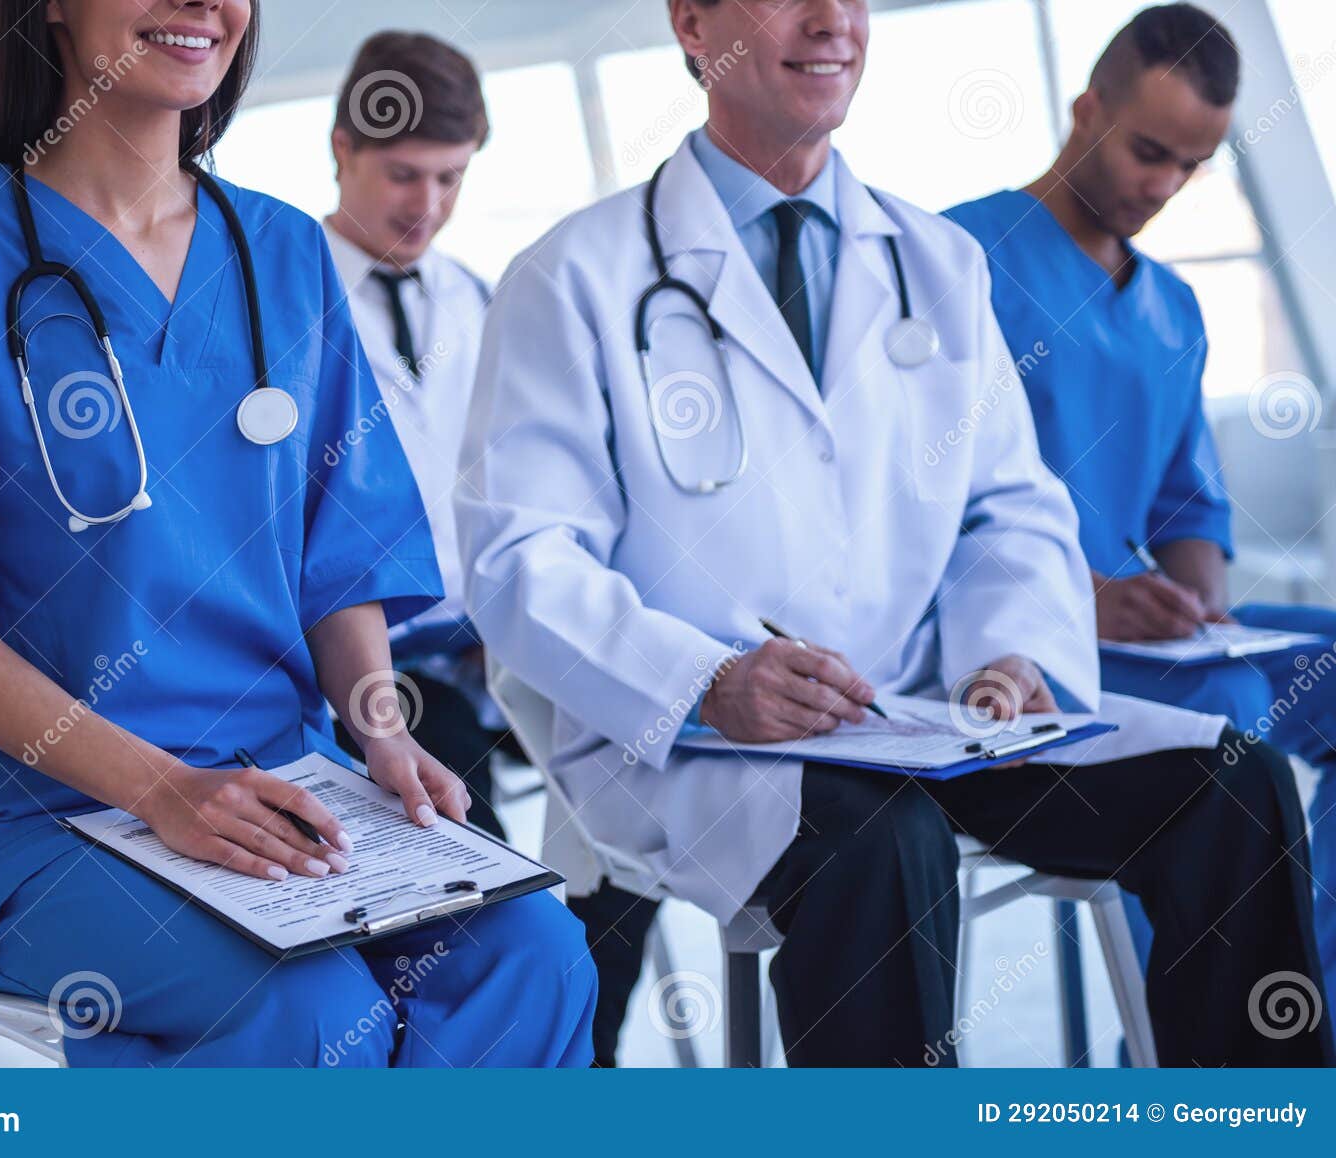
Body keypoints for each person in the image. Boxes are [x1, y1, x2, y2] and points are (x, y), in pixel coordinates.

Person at [456, 0, 1332, 1066]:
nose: (831, 20)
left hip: (926, 710)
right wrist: (709, 681)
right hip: (693, 740)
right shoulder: (572, 276)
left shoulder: (935, 261)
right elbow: (519, 560)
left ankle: (1251, 1124)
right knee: (879, 838)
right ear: (691, 23)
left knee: (1232, 782)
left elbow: (1008, 506)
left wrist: (1008, 652)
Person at [0, 0, 594, 1068]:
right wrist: (163, 791)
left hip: (279, 782)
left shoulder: (282, 251)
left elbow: (342, 557)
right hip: (33, 812)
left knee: (535, 955)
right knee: (309, 1015)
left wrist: (380, 730)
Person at [944, 3, 1335, 1007]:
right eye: (1147, 152)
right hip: (1020, 649)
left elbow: (1187, 505)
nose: (1163, 187)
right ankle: (1194, 1043)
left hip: (1152, 639)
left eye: (1190, 166)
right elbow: (916, 505)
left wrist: (1199, 608)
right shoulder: (957, 261)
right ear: (1086, 111)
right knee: (1233, 712)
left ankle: (1308, 1005)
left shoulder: (1174, 307)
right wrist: (1084, 598)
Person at [321, 31, 511, 839]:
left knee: (639, 775)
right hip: (370, 666)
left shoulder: (479, 298)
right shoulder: (290, 301)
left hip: (494, 647)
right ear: (343, 149)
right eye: (404, 175)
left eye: (450, 177)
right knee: (475, 836)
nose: (427, 205)